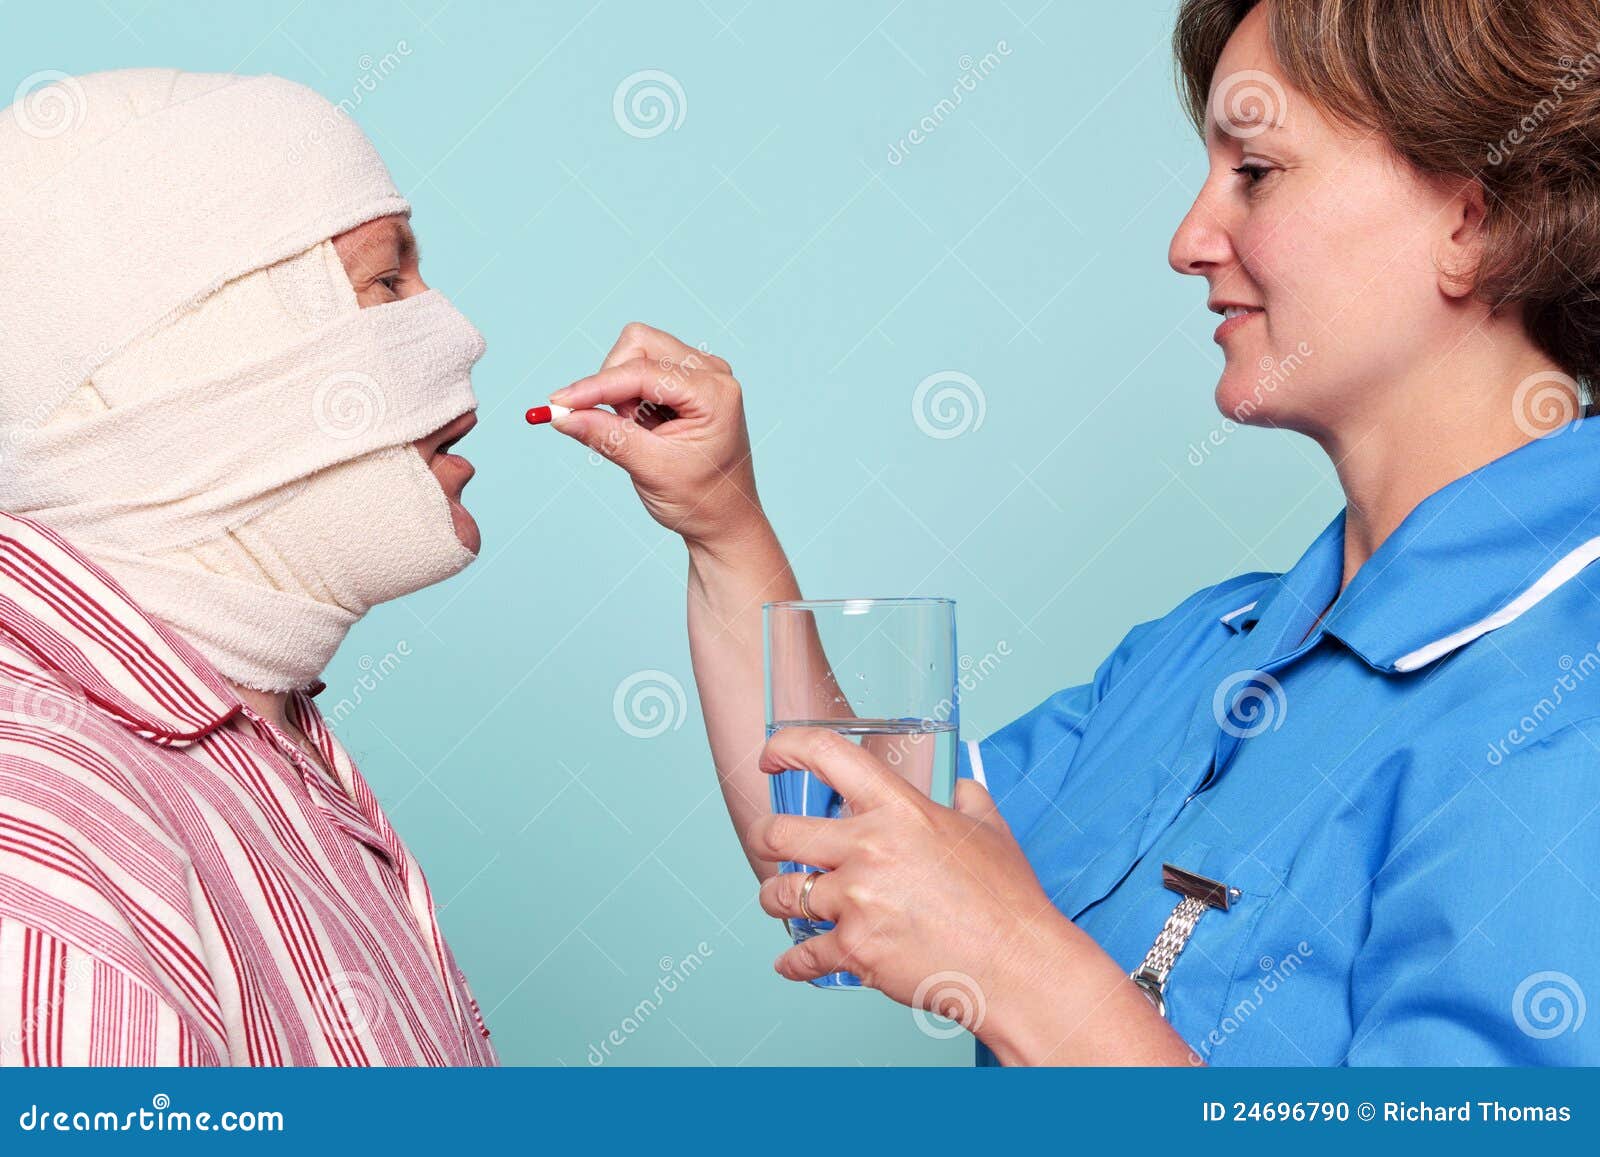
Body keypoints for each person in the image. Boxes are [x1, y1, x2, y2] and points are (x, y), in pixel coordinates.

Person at [555, 0, 1600, 1065]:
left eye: (1256, 172)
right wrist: (723, 524)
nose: (1188, 242)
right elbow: (851, 850)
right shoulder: (1214, 647)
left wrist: (1016, 961)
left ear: (1475, 222)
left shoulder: (1569, 699)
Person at [0, 70, 494, 1064]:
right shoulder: (50, 851)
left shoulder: (264, 745)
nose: (460, 336)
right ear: (192, 353)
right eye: (386, 282)